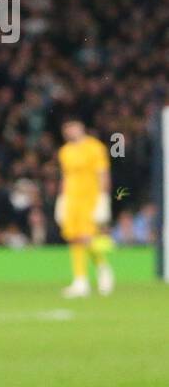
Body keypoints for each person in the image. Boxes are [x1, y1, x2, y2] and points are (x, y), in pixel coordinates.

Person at [55, 117, 113, 297]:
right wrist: (61, 199)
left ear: (81, 127)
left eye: (72, 127)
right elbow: (65, 176)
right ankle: (80, 280)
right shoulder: (64, 152)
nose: (70, 132)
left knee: (87, 238)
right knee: (74, 238)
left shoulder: (95, 148)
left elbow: (103, 174)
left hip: (90, 198)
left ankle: (102, 268)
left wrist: (104, 199)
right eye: (67, 129)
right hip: (72, 200)